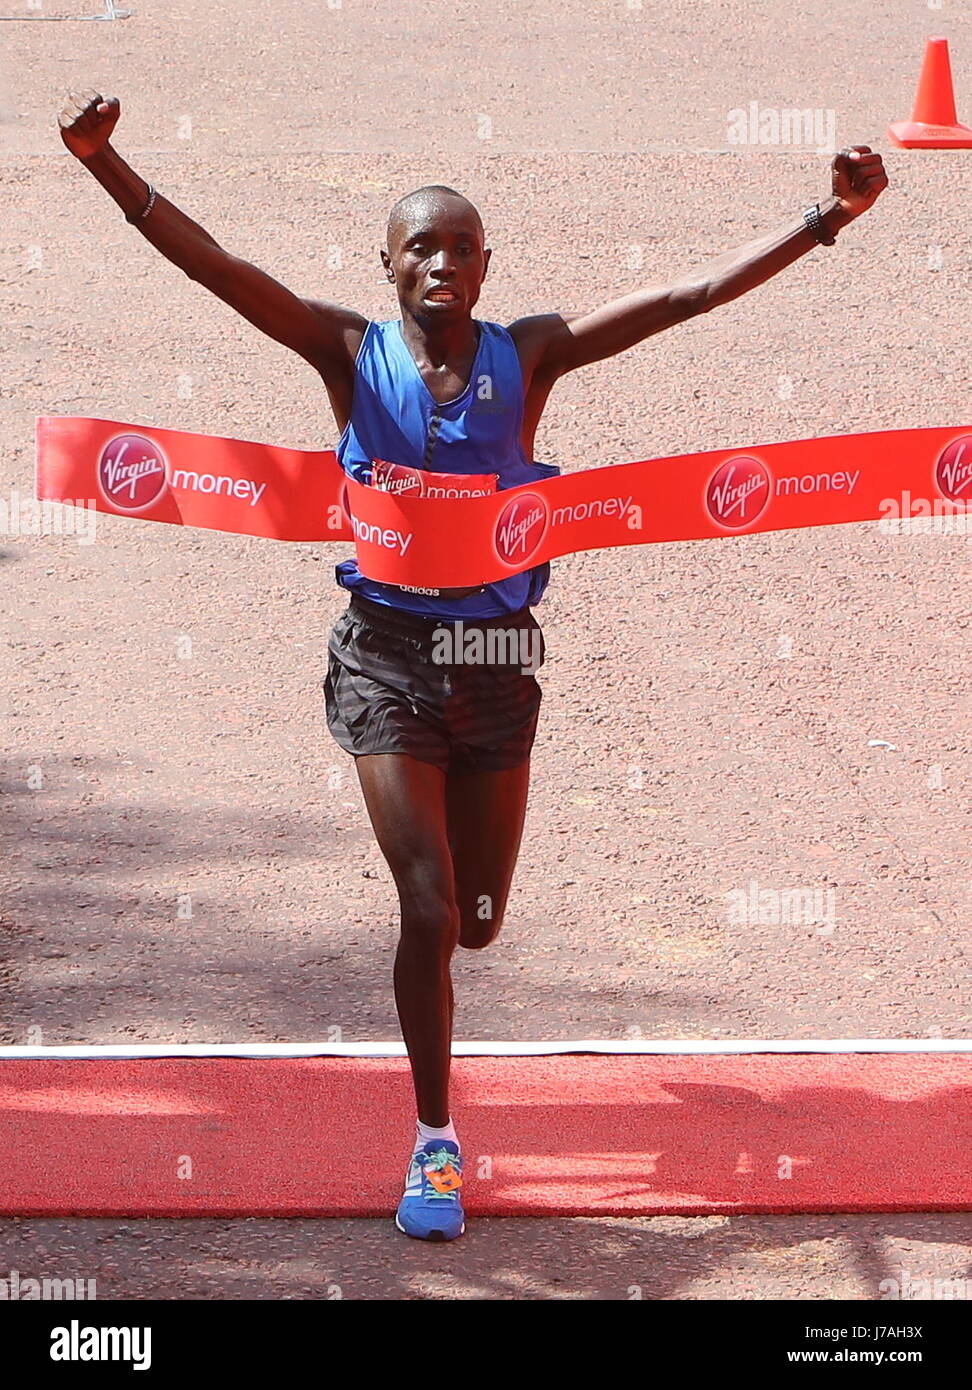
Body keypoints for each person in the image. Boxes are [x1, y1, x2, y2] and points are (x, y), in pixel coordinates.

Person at [59, 89, 888, 1240]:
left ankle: (454, 995)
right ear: (388, 266)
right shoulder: (348, 353)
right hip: (387, 658)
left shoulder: (530, 355)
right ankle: (436, 1144)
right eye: (420, 248)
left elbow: (685, 298)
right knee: (430, 906)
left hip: (496, 661)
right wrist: (107, 161)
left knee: (485, 919)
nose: (441, 262)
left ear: (486, 268)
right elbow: (216, 268)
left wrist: (824, 218)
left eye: (461, 247)